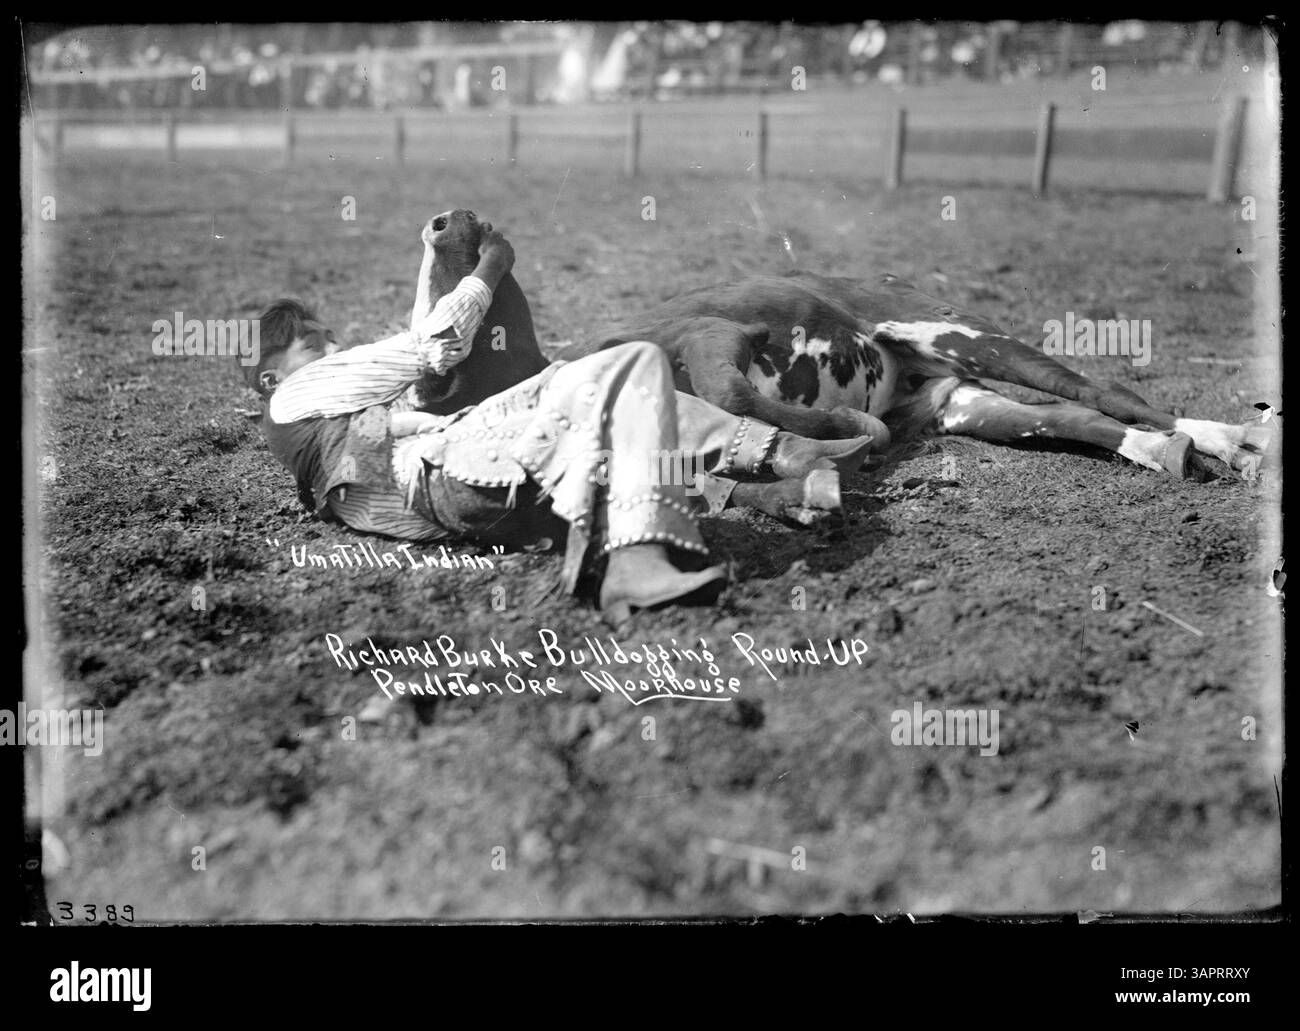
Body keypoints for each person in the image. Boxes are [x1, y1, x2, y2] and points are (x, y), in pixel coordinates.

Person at [247, 221, 879, 622]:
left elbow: (420, 360)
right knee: (622, 372)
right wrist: (492, 266)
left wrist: (430, 254)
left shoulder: (327, 431)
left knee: (588, 383)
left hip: (456, 494)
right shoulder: (299, 393)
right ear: (274, 376)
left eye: (329, 342)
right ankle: (662, 543)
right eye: (314, 345)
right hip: (449, 476)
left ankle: (777, 466)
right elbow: (439, 344)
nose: (332, 352)